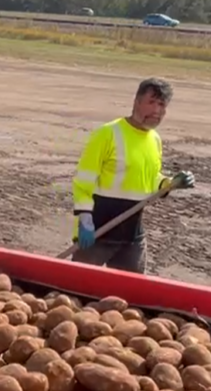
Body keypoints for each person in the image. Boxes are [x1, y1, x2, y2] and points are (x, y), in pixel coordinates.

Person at [71, 77, 194, 274]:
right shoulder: (107, 133)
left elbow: (150, 178)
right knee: (77, 284)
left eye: (161, 105)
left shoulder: (154, 140)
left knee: (131, 289)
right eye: (151, 102)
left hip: (131, 235)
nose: (156, 110)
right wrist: (85, 218)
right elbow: (84, 180)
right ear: (136, 102)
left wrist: (170, 183)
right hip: (97, 231)